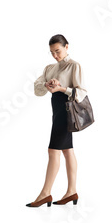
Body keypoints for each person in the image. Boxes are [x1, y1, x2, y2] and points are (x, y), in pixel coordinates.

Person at [28, 34, 87, 208]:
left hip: (67, 112)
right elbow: (37, 89)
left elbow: (82, 92)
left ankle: (45, 194)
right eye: (52, 52)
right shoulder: (49, 68)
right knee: (67, 151)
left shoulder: (74, 66)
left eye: (58, 51)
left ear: (67, 47)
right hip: (57, 112)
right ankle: (71, 191)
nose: (55, 55)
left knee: (53, 151)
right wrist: (47, 85)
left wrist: (62, 88)